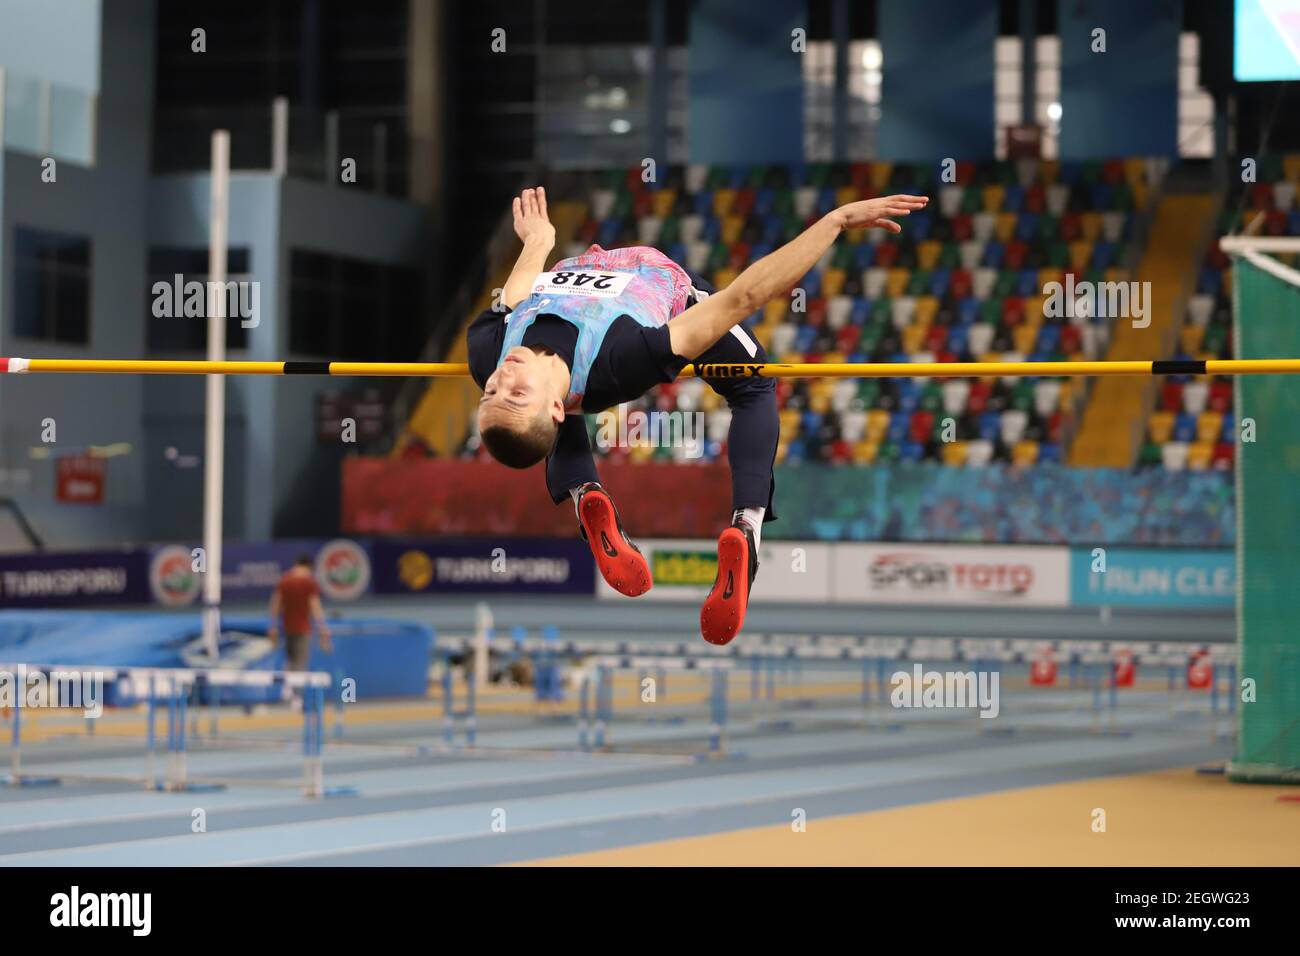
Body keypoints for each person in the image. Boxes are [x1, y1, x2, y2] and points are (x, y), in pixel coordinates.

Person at [468, 186, 928, 643]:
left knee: (550, 408)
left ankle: (583, 489)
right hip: (655, 283)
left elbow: (513, 294)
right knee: (753, 382)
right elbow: (740, 298)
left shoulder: (487, 351)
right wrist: (835, 222)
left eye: (491, 391)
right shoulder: (623, 357)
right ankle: (745, 529)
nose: (504, 377)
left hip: (575, 280)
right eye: (516, 393)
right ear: (550, 405)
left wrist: (537, 242)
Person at [268, 555, 332, 674]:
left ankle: (287, 690)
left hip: (286, 628)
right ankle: (296, 692)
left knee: (289, 661)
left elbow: (275, 604)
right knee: (300, 664)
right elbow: (315, 607)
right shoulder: (309, 582)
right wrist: (323, 628)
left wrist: (273, 626)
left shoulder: (284, 580)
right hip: (303, 629)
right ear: (309, 567)